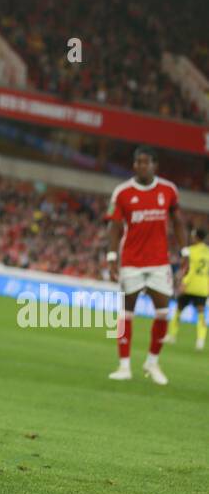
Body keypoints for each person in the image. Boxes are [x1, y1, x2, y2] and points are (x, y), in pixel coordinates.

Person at [105, 146, 188, 385]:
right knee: (125, 314)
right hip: (131, 261)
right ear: (134, 166)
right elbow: (114, 227)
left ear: (155, 165)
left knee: (163, 312)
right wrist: (112, 258)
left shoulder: (168, 190)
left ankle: (152, 363)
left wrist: (184, 251)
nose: (142, 166)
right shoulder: (122, 192)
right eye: (138, 162)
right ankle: (124, 366)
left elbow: (178, 222)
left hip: (159, 262)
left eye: (146, 162)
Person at [167, 228, 208, 350]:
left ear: (196, 237)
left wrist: (183, 283)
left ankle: (172, 335)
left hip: (189, 286)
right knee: (201, 314)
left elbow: (188, 270)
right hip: (203, 287)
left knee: (178, 311)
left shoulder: (190, 251)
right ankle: (200, 340)